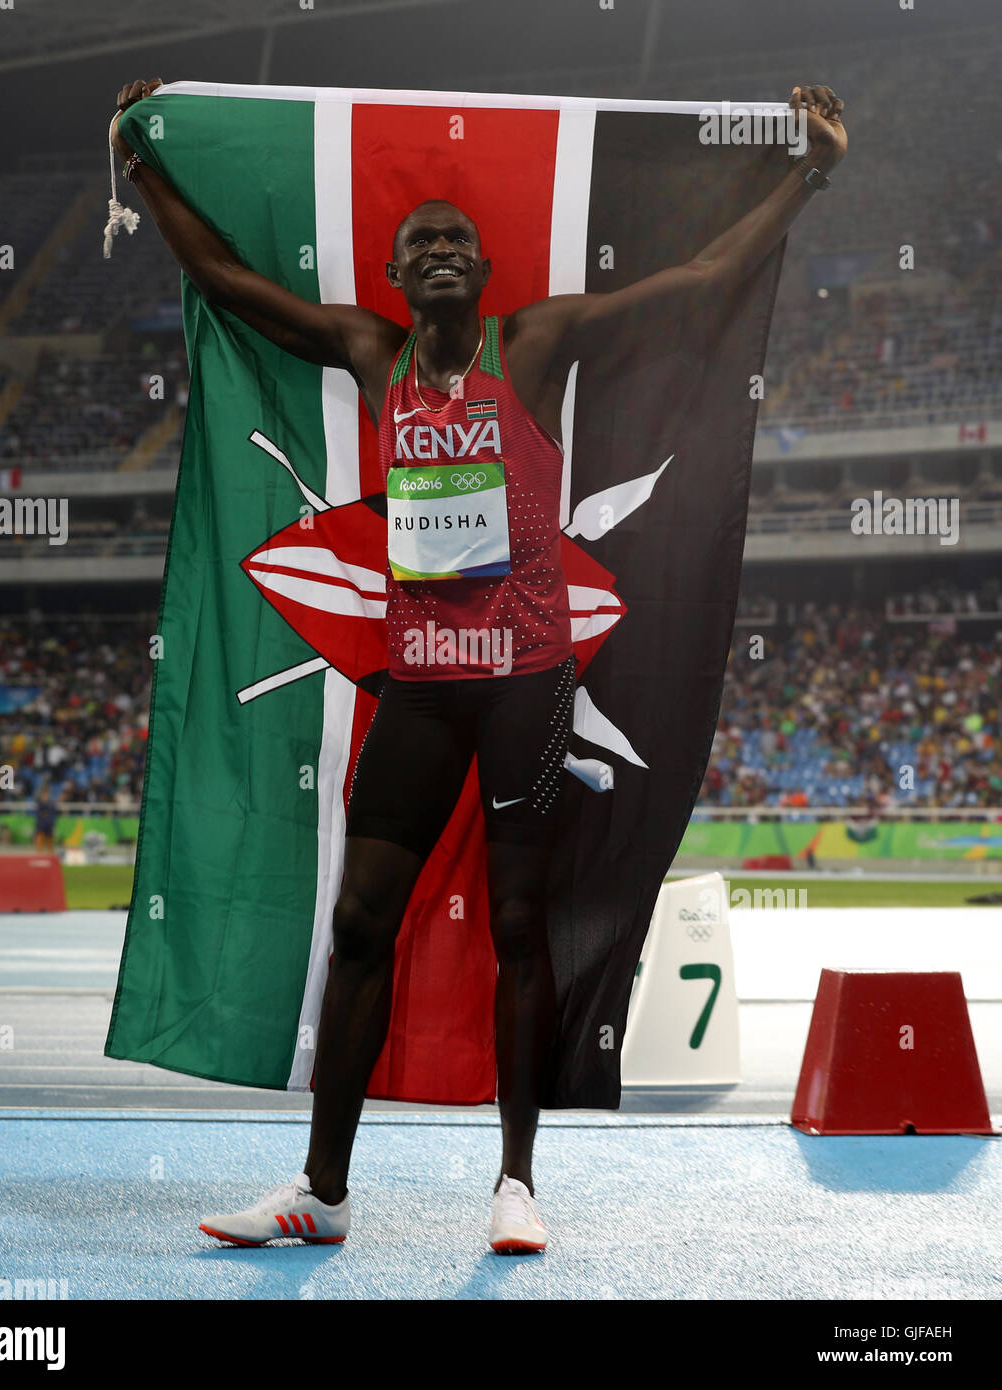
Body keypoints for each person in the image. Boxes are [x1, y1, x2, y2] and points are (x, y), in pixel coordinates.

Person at [112, 76, 847, 1253]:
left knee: (516, 921)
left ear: (483, 268)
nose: (441, 250)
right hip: (417, 685)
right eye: (421, 244)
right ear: (395, 278)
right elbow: (229, 285)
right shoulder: (367, 348)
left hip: (525, 683)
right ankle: (323, 1192)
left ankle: (514, 1183)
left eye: (458, 239)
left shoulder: (536, 337)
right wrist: (144, 163)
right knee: (360, 926)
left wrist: (803, 169)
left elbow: (699, 287)